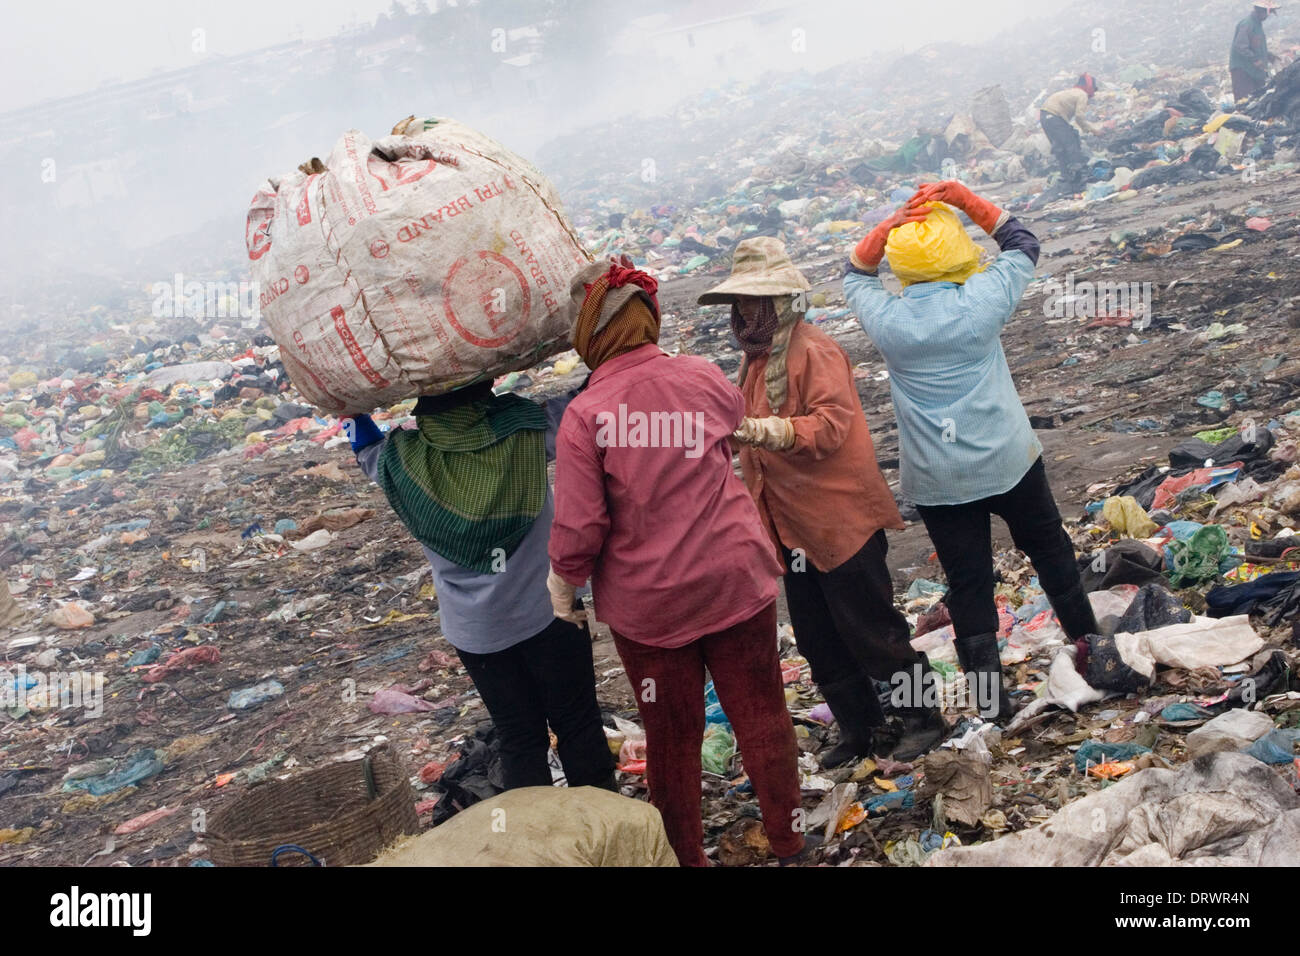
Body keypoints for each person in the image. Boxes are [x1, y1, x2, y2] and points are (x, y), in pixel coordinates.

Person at [548, 257, 805, 867]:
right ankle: (792, 844)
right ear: (648, 321)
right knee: (764, 716)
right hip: (734, 580)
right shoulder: (699, 376)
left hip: (652, 607)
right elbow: (733, 424)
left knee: (671, 737)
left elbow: (582, 525)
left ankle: (685, 858)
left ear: (591, 337)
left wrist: (565, 584)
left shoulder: (587, 416)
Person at [841, 181, 1100, 721]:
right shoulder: (984, 299)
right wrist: (962, 197)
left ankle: (990, 702)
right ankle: (1093, 651)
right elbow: (1021, 240)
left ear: (904, 265)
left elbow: (854, 272)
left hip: (939, 477)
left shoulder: (889, 321)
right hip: (1009, 458)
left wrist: (889, 226)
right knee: (1050, 550)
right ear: (957, 251)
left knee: (969, 582)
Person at [696, 236, 945, 767]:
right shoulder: (758, 362)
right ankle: (861, 730)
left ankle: (923, 720)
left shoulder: (814, 349)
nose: (742, 311)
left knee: (875, 633)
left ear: (779, 301)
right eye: (737, 301)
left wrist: (761, 430)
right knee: (818, 638)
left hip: (838, 520)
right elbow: (750, 435)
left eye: (750, 300)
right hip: (788, 529)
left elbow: (831, 428)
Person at [341, 382, 615, 794]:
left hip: (476, 635)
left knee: (520, 737)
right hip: (550, 615)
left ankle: (543, 844)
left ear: (425, 415)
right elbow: (584, 402)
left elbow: (362, 444)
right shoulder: (526, 434)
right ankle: (605, 827)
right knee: (578, 723)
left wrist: (347, 403)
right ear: (484, 398)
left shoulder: (400, 462)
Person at [1039, 73, 1100, 191]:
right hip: (1055, 117)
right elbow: (1079, 117)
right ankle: (1079, 180)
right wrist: (1093, 130)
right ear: (1089, 86)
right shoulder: (1082, 94)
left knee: (1059, 148)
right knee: (1071, 145)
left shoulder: (1071, 91)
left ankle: (1066, 178)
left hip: (1044, 116)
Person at [1231, 2, 1280, 103]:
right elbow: (1240, 46)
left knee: (1258, 101)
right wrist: (1255, 59)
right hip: (1243, 70)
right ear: (1260, 11)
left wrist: (1270, 56)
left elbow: (1257, 47)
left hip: (1255, 71)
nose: (1267, 16)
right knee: (1245, 102)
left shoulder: (1257, 24)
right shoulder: (1247, 24)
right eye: (1267, 13)